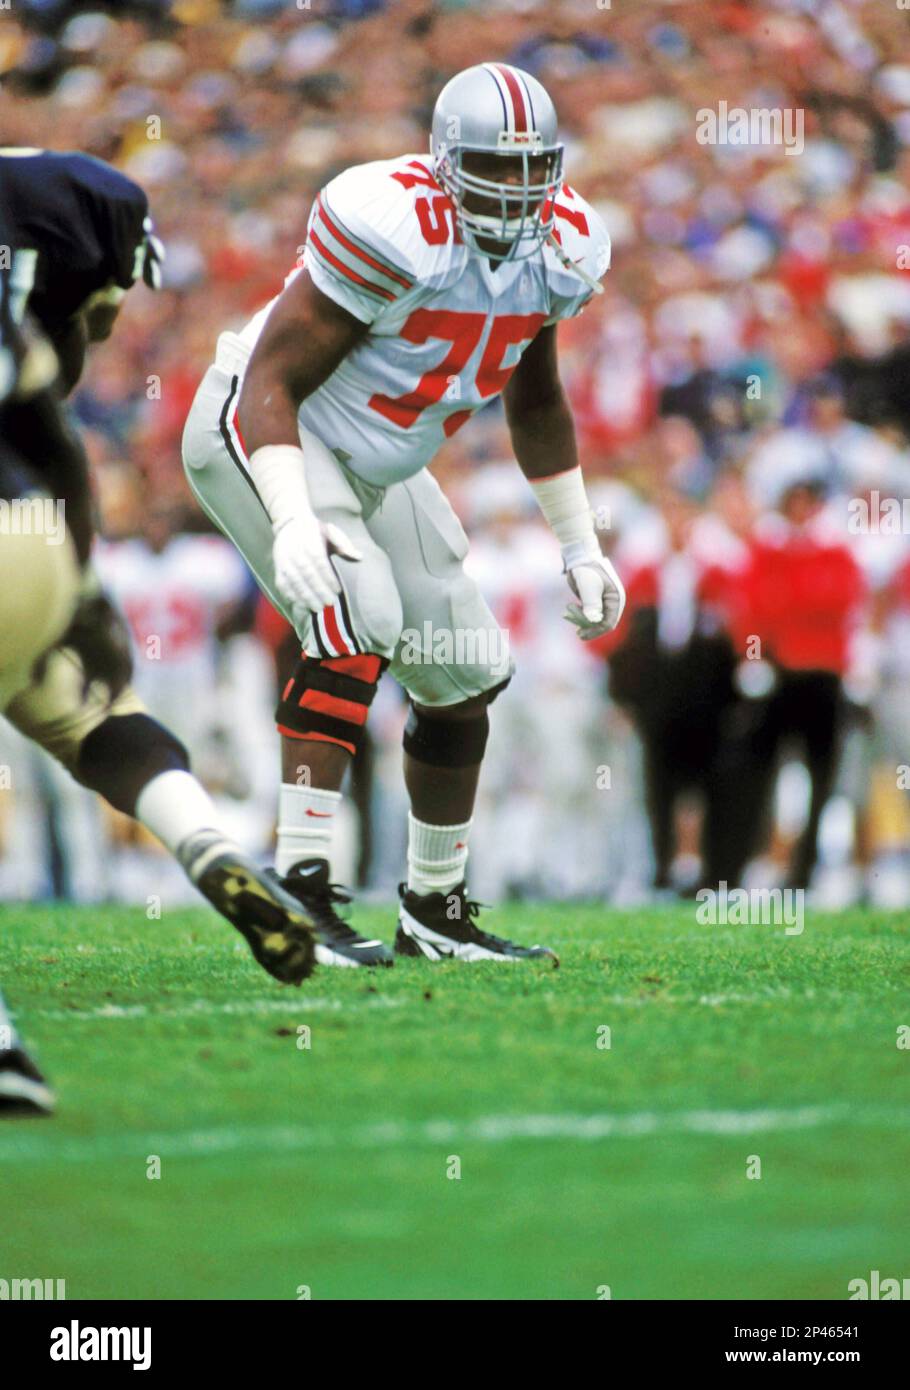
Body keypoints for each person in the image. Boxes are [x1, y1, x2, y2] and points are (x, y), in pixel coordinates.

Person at [183, 63, 625, 965]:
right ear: (442, 160)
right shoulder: (390, 224)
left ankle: (433, 911)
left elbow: (535, 402)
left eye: (533, 166)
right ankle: (298, 891)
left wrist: (581, 544)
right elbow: (271, 379)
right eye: (495, 169)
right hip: (267, 427)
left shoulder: (567, 246)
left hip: (379, 466)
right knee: (360, 617)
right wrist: (297, 519)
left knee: (463, 667)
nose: (517, 189)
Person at [0, 153, 318, 1113]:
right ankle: (210, 846)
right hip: (21, 539)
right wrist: (76, 585)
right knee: (88, 710)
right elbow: (49, 448)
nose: (112, 313)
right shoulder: (32, 326)